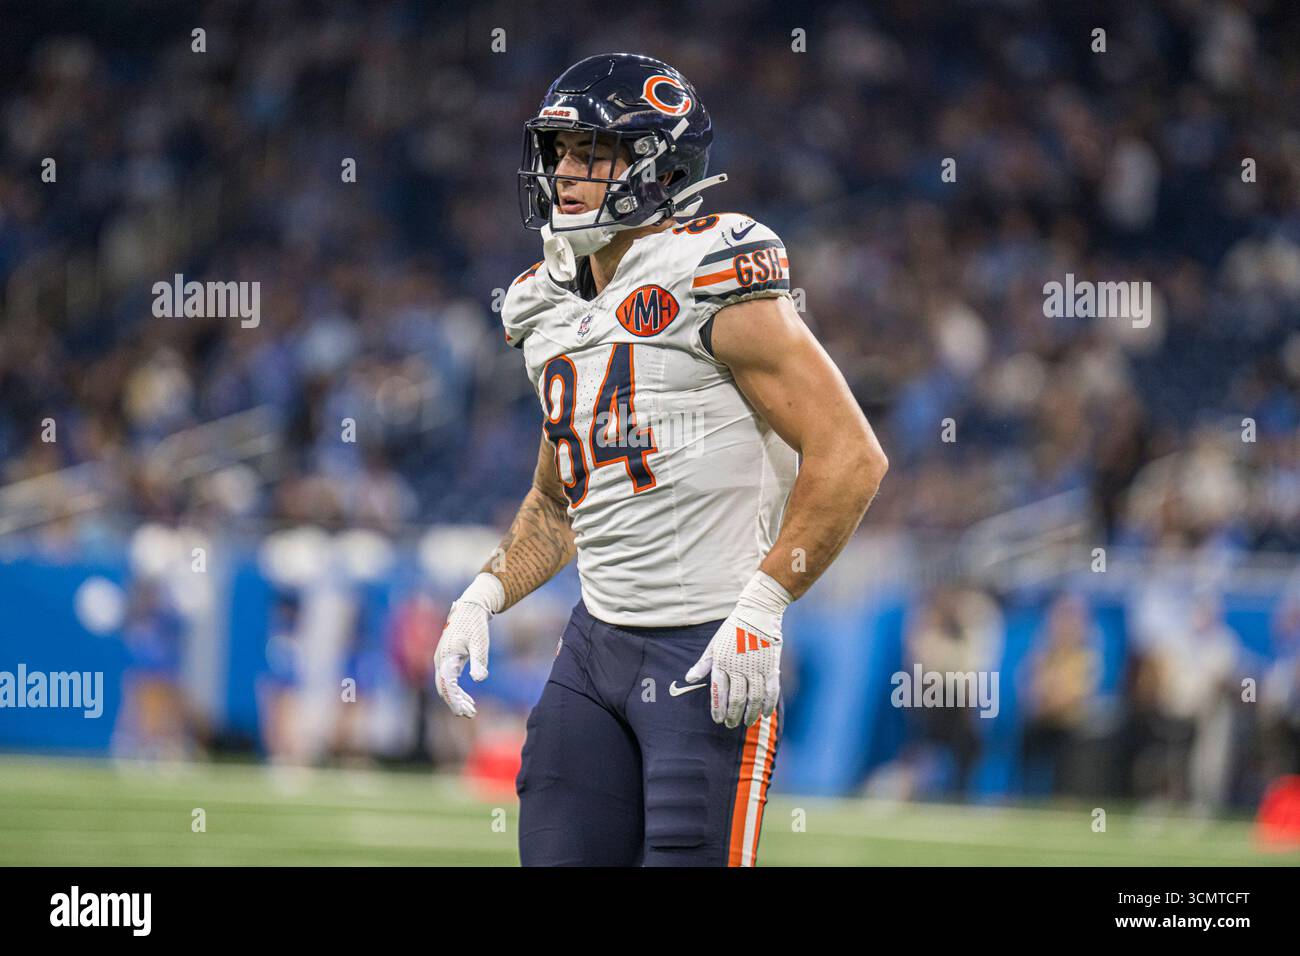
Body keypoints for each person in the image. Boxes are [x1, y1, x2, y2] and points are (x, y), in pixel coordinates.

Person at [433, 53, 888, 866]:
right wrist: (485, 591)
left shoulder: (710, 270)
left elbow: (851, 454)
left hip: (706, 652)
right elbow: (558, 499)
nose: (566, 174)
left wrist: (766, 602)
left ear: (658, 164)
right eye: (560, 152)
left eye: (591, 153)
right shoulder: (544, 305)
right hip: (593, 652)